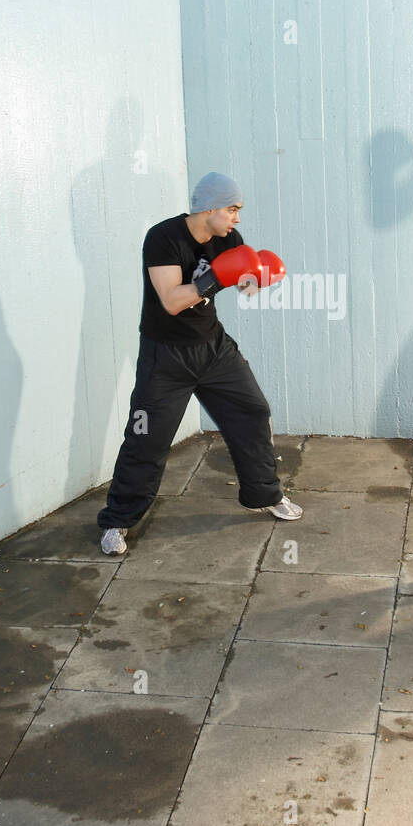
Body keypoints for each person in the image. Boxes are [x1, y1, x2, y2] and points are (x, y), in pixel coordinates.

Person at [97, 172, 301, 554]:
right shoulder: (164, 237)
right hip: (165, 354)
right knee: (147, 437)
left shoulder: (229, 241)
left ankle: (264, 493)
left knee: (253, 412)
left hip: (213, 347)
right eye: (232, 209)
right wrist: (215, 278)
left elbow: (243, 287)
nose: (237, 218)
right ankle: (117, 521)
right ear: (209, 208)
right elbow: (172, 302)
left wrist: (259, 279)